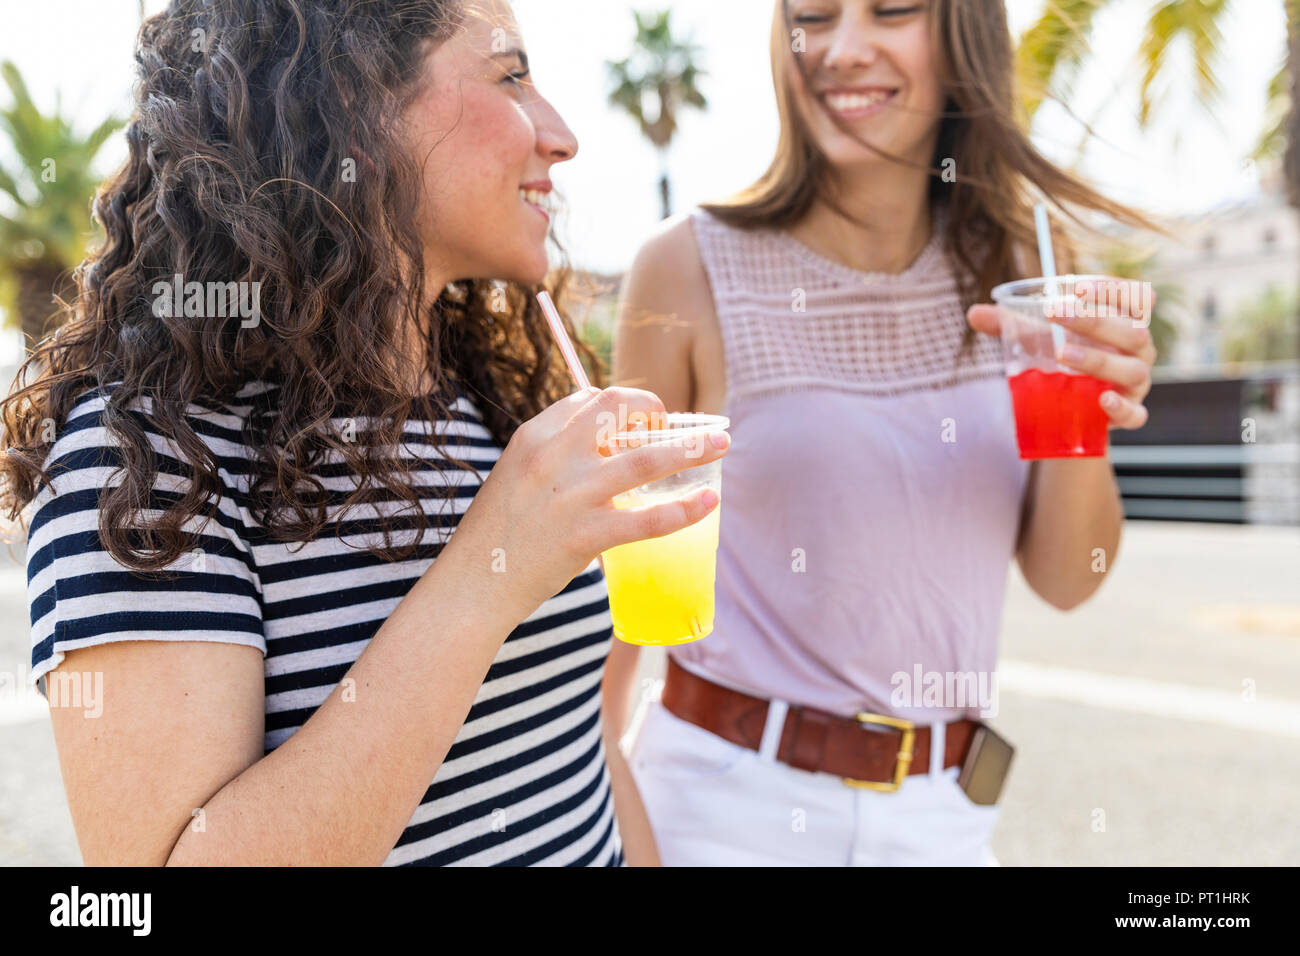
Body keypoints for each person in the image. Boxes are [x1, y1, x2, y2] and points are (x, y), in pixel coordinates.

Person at [3, 0, 728, 866]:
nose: (563, 135)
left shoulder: (494, 404)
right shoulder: (151, 456)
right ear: (350, 103)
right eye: (512, 76)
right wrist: (490, 573)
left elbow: (584, 753)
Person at [604, 0, 1160, 866]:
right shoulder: (684, 266)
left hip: (947, 817)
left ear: (962, 35)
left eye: (892, 9)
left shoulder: (1022, 276)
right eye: (814, 16)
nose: (843, 49)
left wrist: (1086, 414)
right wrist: (619, 820)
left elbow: (1066, 580)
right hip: (721, 808)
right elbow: (618, 590)